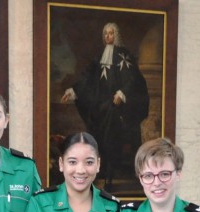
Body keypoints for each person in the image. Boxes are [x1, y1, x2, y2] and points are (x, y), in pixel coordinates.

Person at [61, 22, 148, 189]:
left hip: (115, 107)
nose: (108, 36)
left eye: (111, 33)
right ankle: (99, 172)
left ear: (116, 35)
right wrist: (73, 90)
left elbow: (133, 78)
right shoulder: (100, 54)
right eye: (106, 34)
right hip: (99, 106)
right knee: (97, 137)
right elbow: (87, 75)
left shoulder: (124, 55)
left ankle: (109, 175)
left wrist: (121, 94)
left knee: (111, 138)